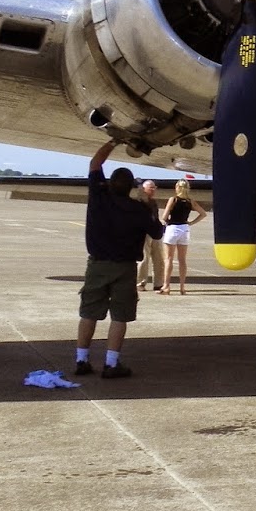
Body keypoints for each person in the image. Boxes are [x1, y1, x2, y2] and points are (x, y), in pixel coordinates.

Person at [74, 139, 164, 378]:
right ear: (131, 188)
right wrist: (151, 208)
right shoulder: (139, 210)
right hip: (125, 267)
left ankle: (81, 360)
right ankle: (111, 364)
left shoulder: (98, 197)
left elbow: (95, 163)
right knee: (120, 316)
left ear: (110, 184)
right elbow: (157, 233)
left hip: (97, 263)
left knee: (89, 312)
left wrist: (114, 141)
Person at [160, 180, 206, 294]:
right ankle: (182, 287)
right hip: (184, 229)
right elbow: (203, 213)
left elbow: (164, 216)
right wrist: (191, 223)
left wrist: (167, 221)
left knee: (169, 258)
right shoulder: (190, 201)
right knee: (182, 259)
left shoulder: (173, 199)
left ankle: (166, 286)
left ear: (177, 187)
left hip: (173, 228)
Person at [135, 180, 166, 292]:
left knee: (159, 259)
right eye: (150, 188)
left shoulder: (153, 202)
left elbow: (155, 218)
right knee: (144, 258)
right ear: (144, 189)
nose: (153, 190)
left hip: (155, 233)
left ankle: (158, 283)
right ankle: (140, 283)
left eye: (154, 188)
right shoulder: (140, 202)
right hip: (143, 233)